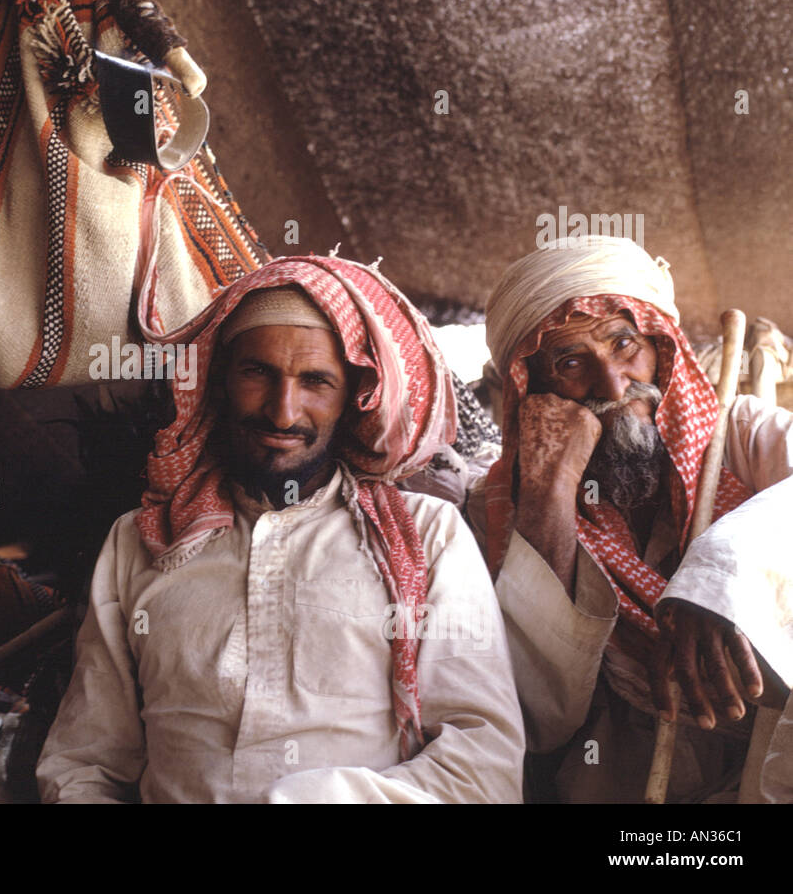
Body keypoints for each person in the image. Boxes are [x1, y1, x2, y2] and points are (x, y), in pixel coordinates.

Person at [36, 256, 525, 803]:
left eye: (315, 381)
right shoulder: (140, 540)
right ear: (220, 383)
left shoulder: (427, 537)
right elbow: (83, 762)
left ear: (354, 397)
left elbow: (483, 771)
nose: (283, 412)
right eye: (257, 373)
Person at [481, 235, 793, 802]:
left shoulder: (739, 431)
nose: (613, 384)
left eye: (623, 344)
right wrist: (551, 490)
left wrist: (715, 580)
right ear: (536, 388)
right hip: (622, 775)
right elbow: (537, 711)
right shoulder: (498, 504)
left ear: (659, 342)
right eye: (572, 363)